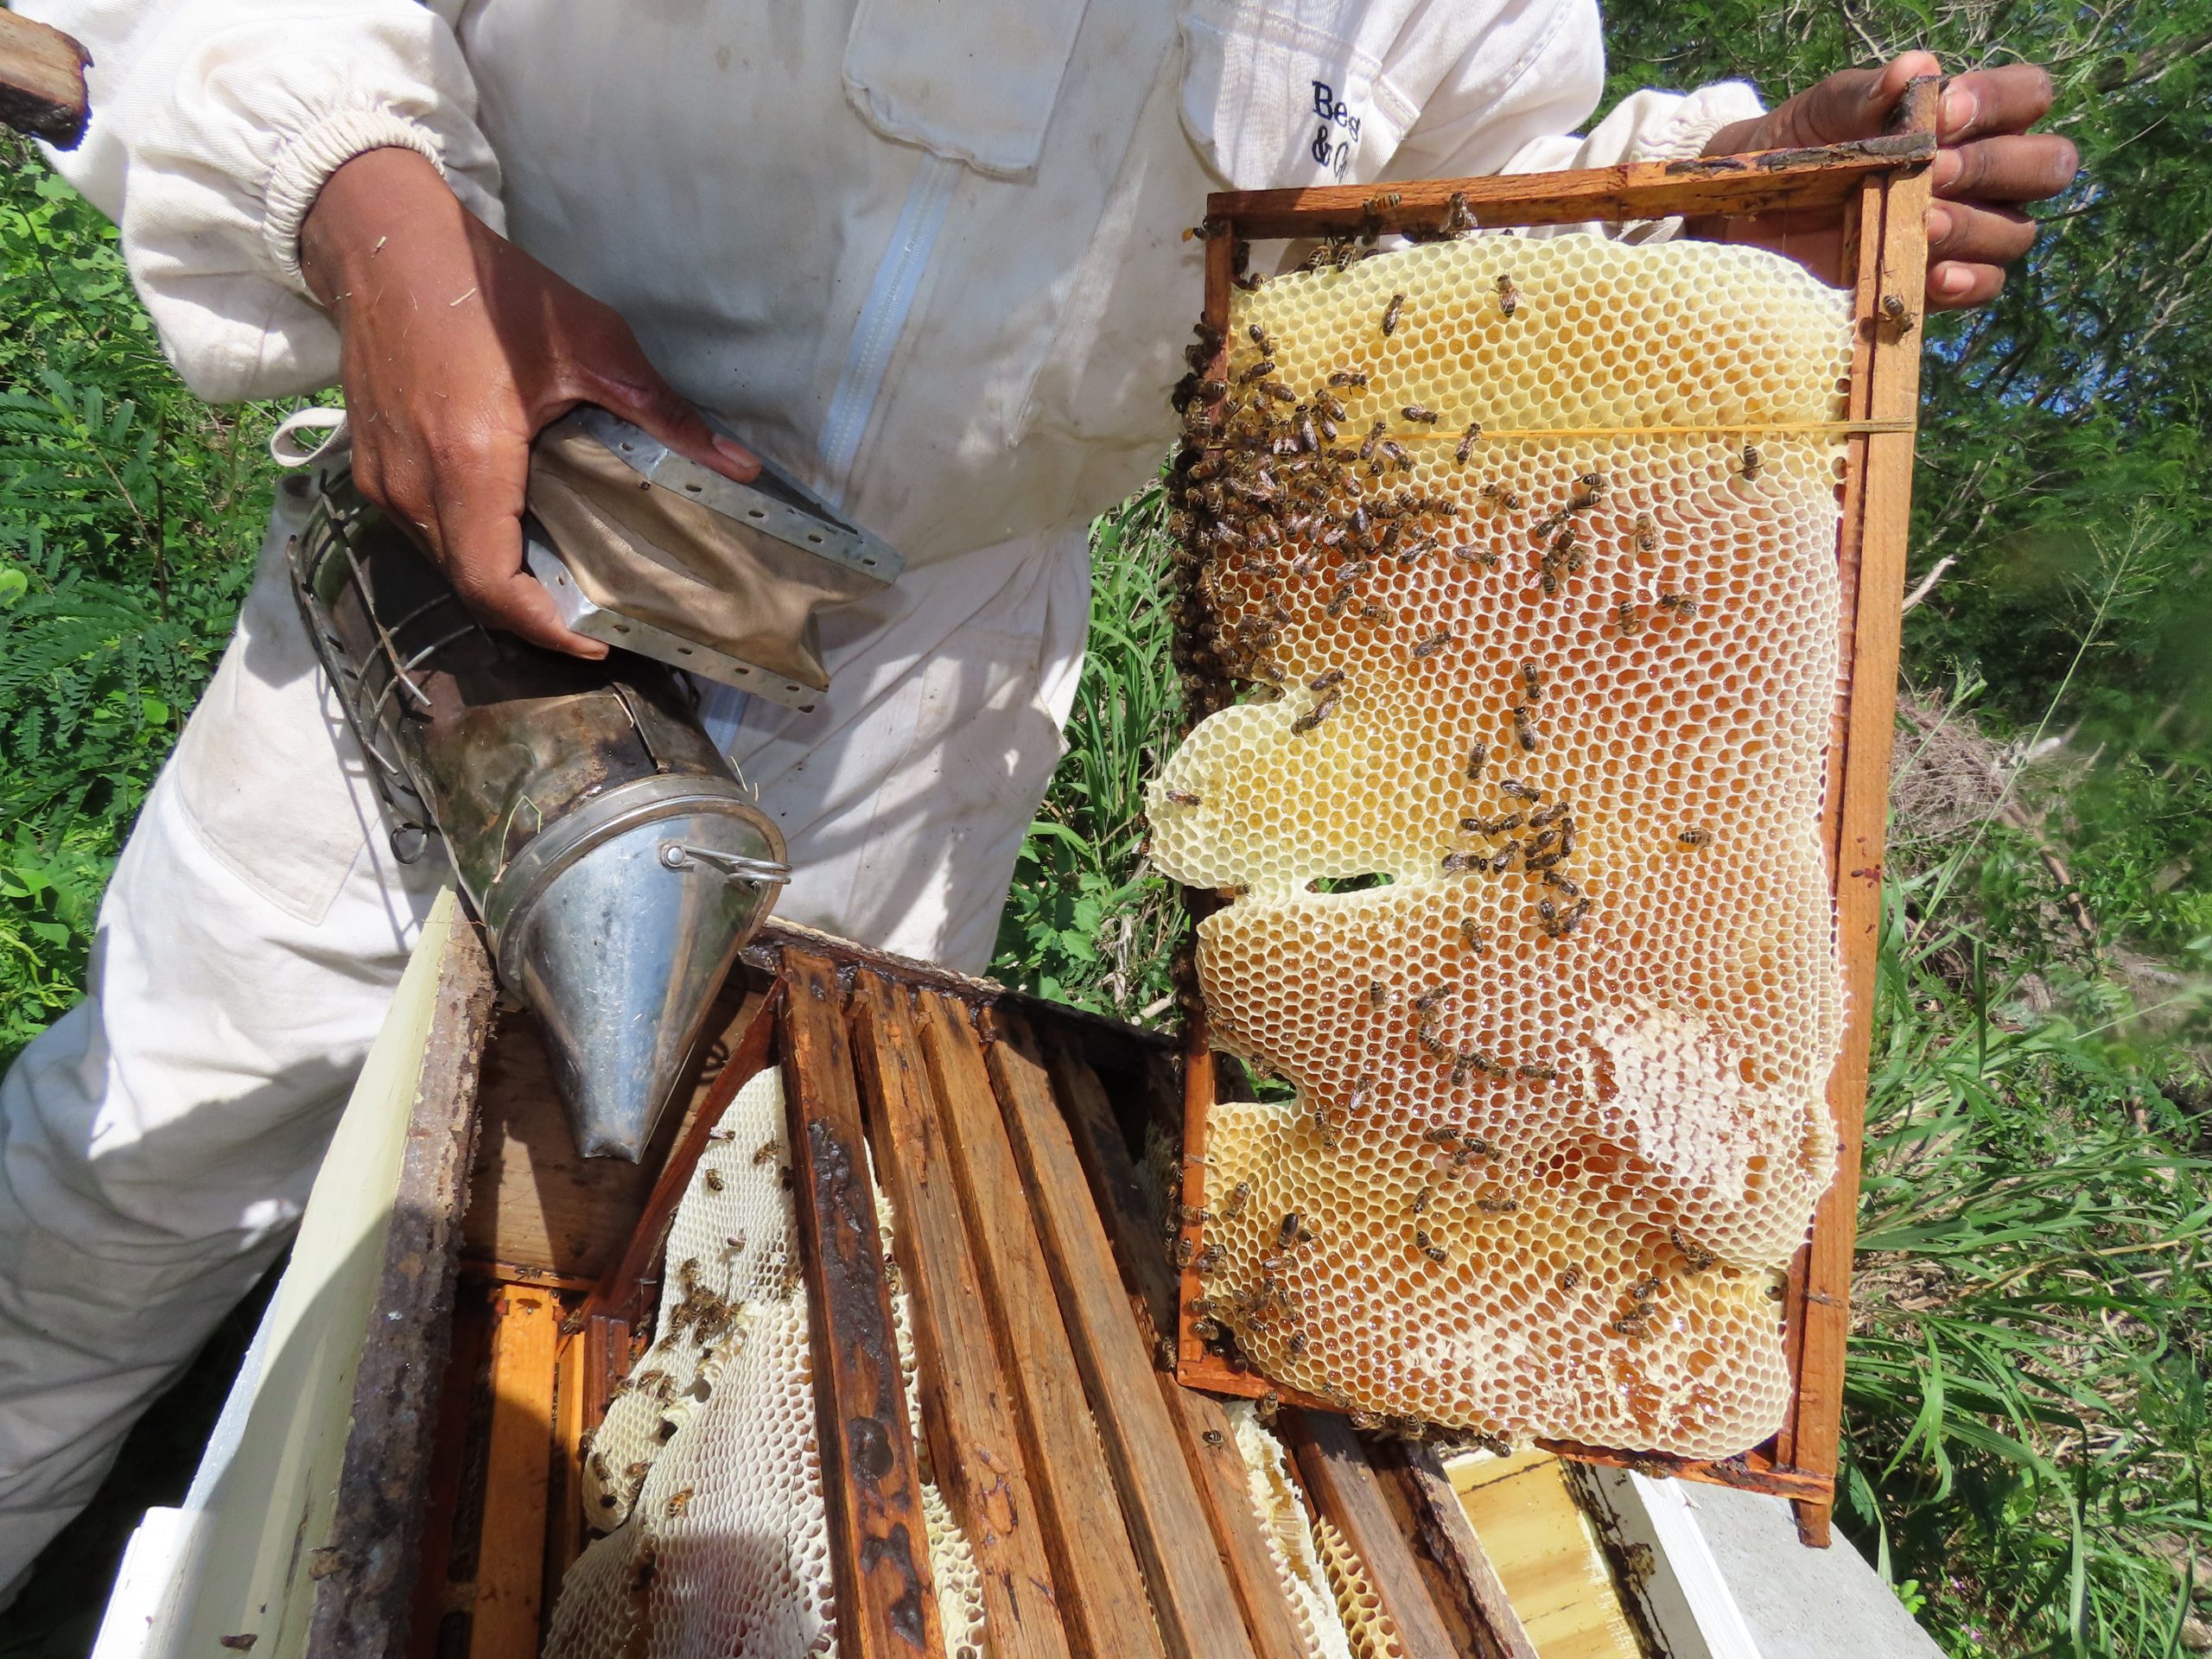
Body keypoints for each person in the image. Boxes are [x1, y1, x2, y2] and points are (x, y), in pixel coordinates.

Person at [0, 0, 2075, 1599]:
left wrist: (1715, 192)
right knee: (146, 1165)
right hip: (483, 523)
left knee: (690, 1285)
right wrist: (384, 232)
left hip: (917, 677)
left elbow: (1459, 227)